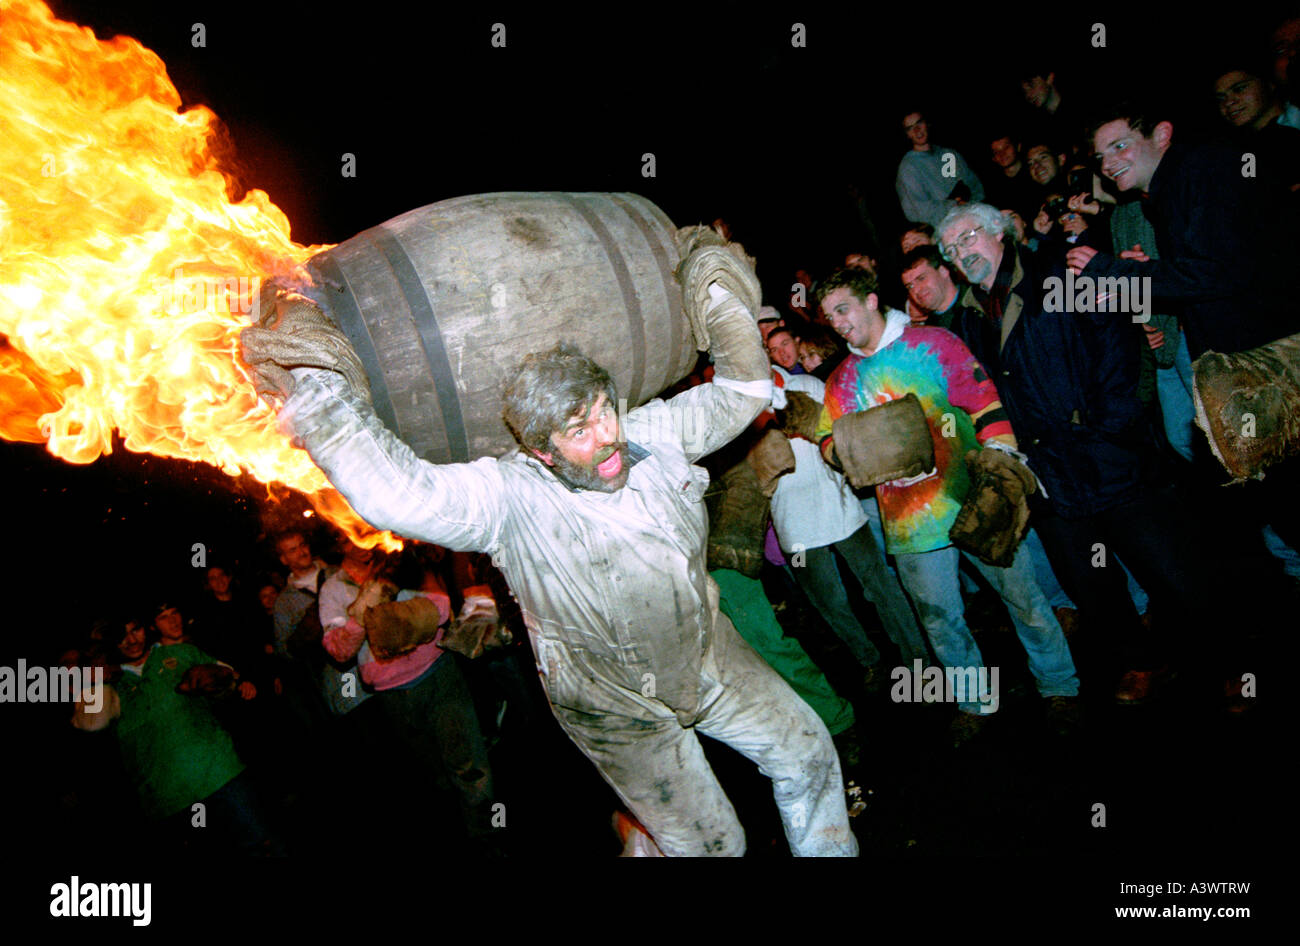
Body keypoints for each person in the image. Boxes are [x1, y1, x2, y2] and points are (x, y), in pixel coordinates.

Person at [241, 229, 857, 856]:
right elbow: (392, 494)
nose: (605, 439)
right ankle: (647, 840)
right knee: (717, 846)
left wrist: (717, 283)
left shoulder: (652, 432)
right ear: (540, 449)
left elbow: (744, 392)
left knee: (809, 754)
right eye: (578, 433)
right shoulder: (507, 497)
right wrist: (313, 376)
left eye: (602, 413)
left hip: (707, 656)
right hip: (615, 708)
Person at [813, 266, 1079, 743]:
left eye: (843, 308)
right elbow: (826, 441)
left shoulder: (933, 344)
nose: (836, 322)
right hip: (909, 518)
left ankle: (1060, 686)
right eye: (829, 316)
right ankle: (977, 700)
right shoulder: (840, 381)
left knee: (1024, 600)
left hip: (972, 497)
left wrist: (1005, 464)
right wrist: (858, 450)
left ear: (871, 301)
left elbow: (985, 401)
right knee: (940, 621)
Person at [895, 110, 984, 227]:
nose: (917, 130)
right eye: (910, 128)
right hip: (944, 227)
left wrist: (970, 205)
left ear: (927, 124)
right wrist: (953, 206)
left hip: (973, 216)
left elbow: (975, 187)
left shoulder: (948, 155)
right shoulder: (908, 167)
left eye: (919, 123)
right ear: (907, 134)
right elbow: (918, 211)